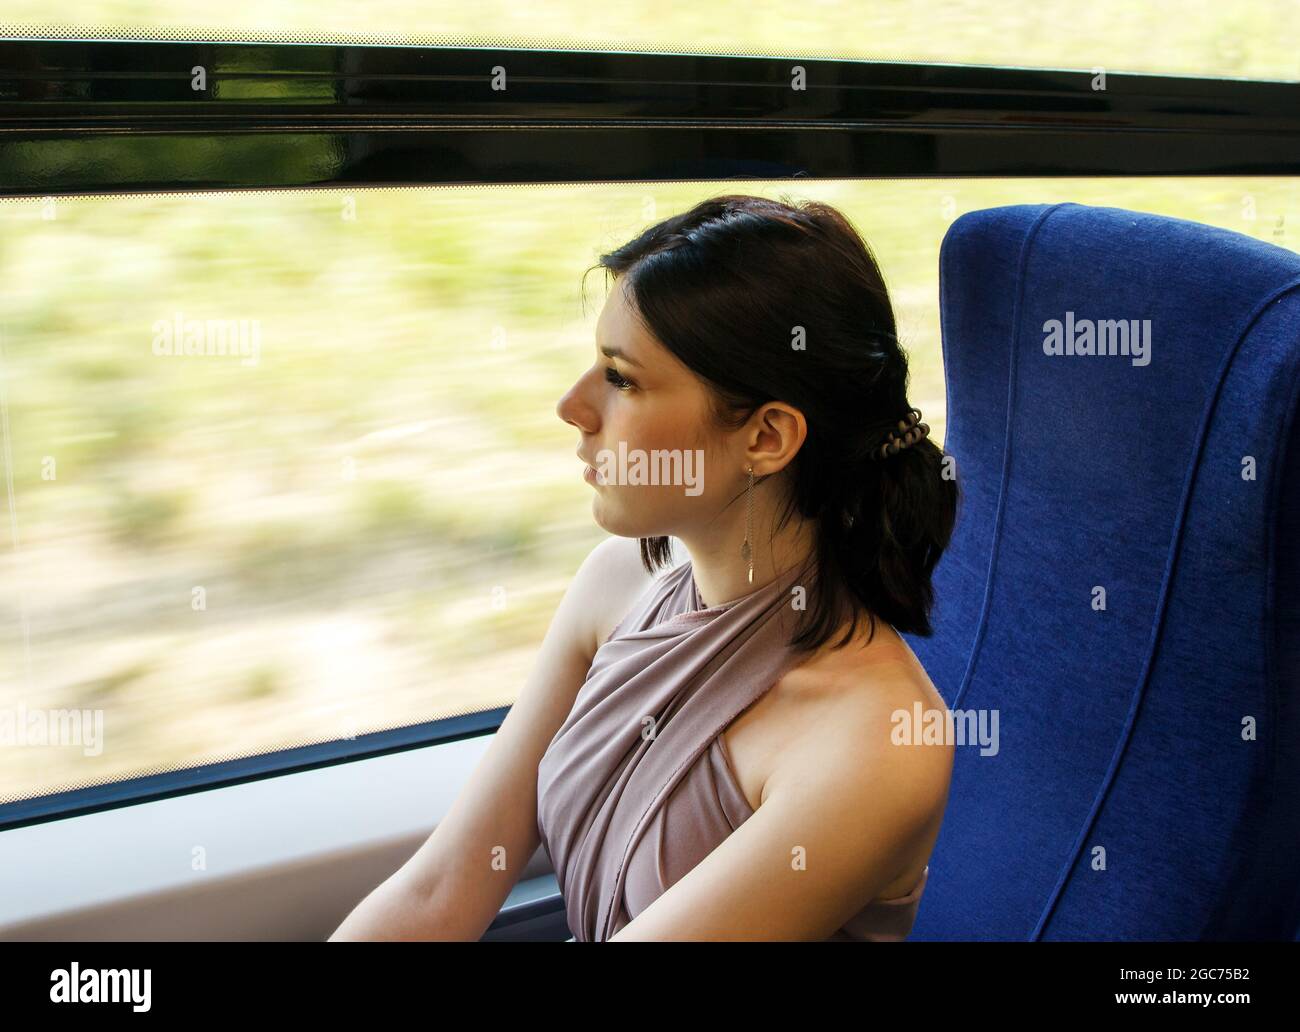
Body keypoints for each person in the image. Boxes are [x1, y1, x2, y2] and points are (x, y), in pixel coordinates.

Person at [329, 193, 958, 941]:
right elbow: (440, 890)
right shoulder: (616, 585)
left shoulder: (874, 743)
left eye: (622, 379)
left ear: (767, 437)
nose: (573, 406)